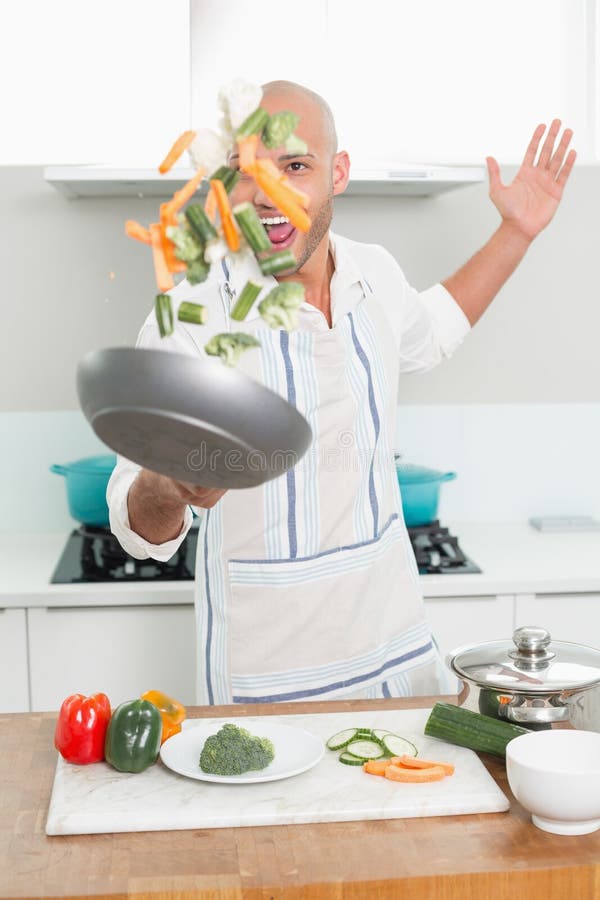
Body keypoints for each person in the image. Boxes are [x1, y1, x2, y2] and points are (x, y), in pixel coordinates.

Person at [107, 80, 575, 704]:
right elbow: (135, 526)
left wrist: (516, 231)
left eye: (295, 165)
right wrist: (168, 485)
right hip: (266, 685)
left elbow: (433, 331)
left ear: (338, 173)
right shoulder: (193, 313)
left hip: (399, 661)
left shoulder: (373, 273)